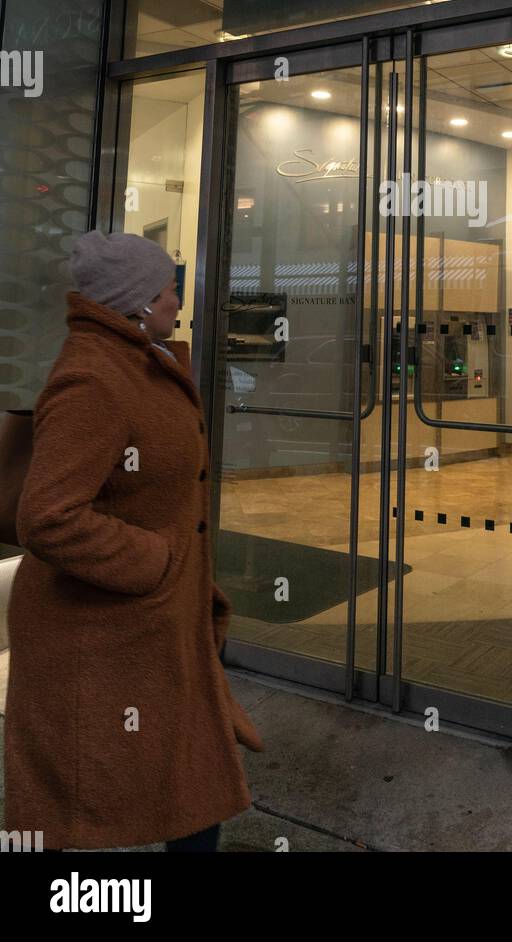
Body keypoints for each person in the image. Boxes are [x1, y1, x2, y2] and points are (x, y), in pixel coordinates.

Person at [4, 230, 264, 853]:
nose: (177, 301)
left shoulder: (137, 361)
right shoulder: (95, 378)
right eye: (171, 289)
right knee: (75, 796)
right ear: (140, 300)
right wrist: (156, 562)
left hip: (149, 623)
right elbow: (46, 516)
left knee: (190, 772)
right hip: (102, 631)